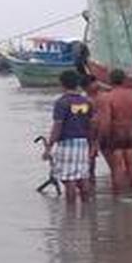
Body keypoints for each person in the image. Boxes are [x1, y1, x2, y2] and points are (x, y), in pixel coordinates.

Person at [42, 70, 95, 201]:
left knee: (68, 179)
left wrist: (49, 147)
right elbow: (91, 125)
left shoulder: (61, 103)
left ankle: (70, 214)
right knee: (83, 176)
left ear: (62, 84)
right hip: (83, 143)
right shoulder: (86, 101)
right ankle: (86, 207)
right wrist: (92, 144)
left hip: (67, 143)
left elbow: (57, 127)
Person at [96, 69, 132, 193]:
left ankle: (117, 202)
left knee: (117, 169)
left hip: (116, 134)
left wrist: (101, 140)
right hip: (131, 133)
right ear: (124, 80)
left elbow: (106, 122)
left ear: (110, 80)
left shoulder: (107, 97)